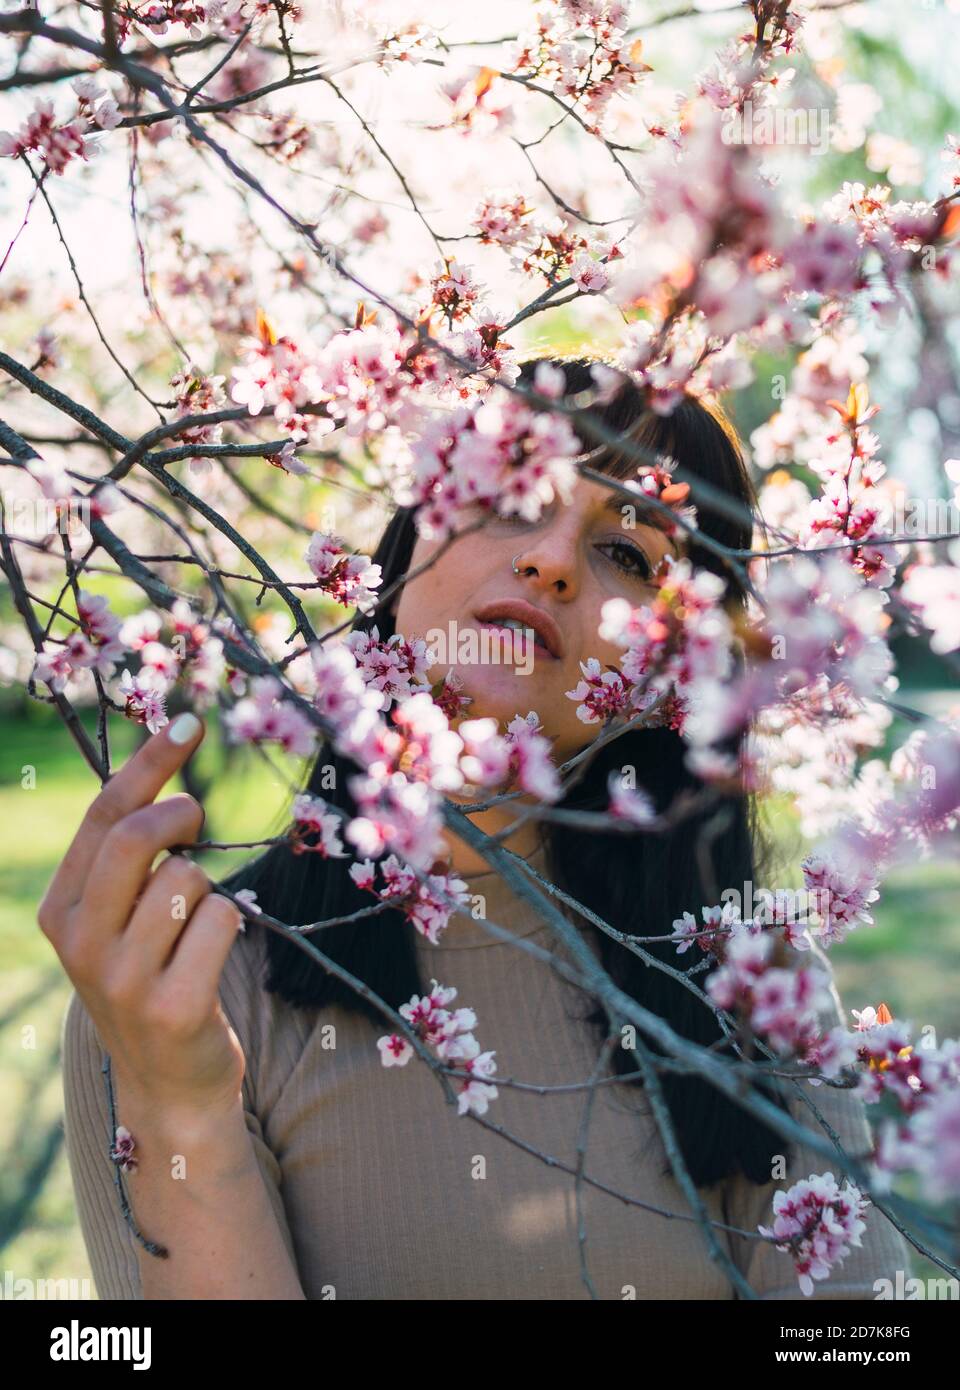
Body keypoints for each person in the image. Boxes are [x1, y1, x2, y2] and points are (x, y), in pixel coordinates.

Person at [53, 355, 910, 1299]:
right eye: (514, 493)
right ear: (405, 541)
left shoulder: (757, 981)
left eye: (628, 554)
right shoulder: (175, 992)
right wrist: (183, 1109)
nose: (548, 562)